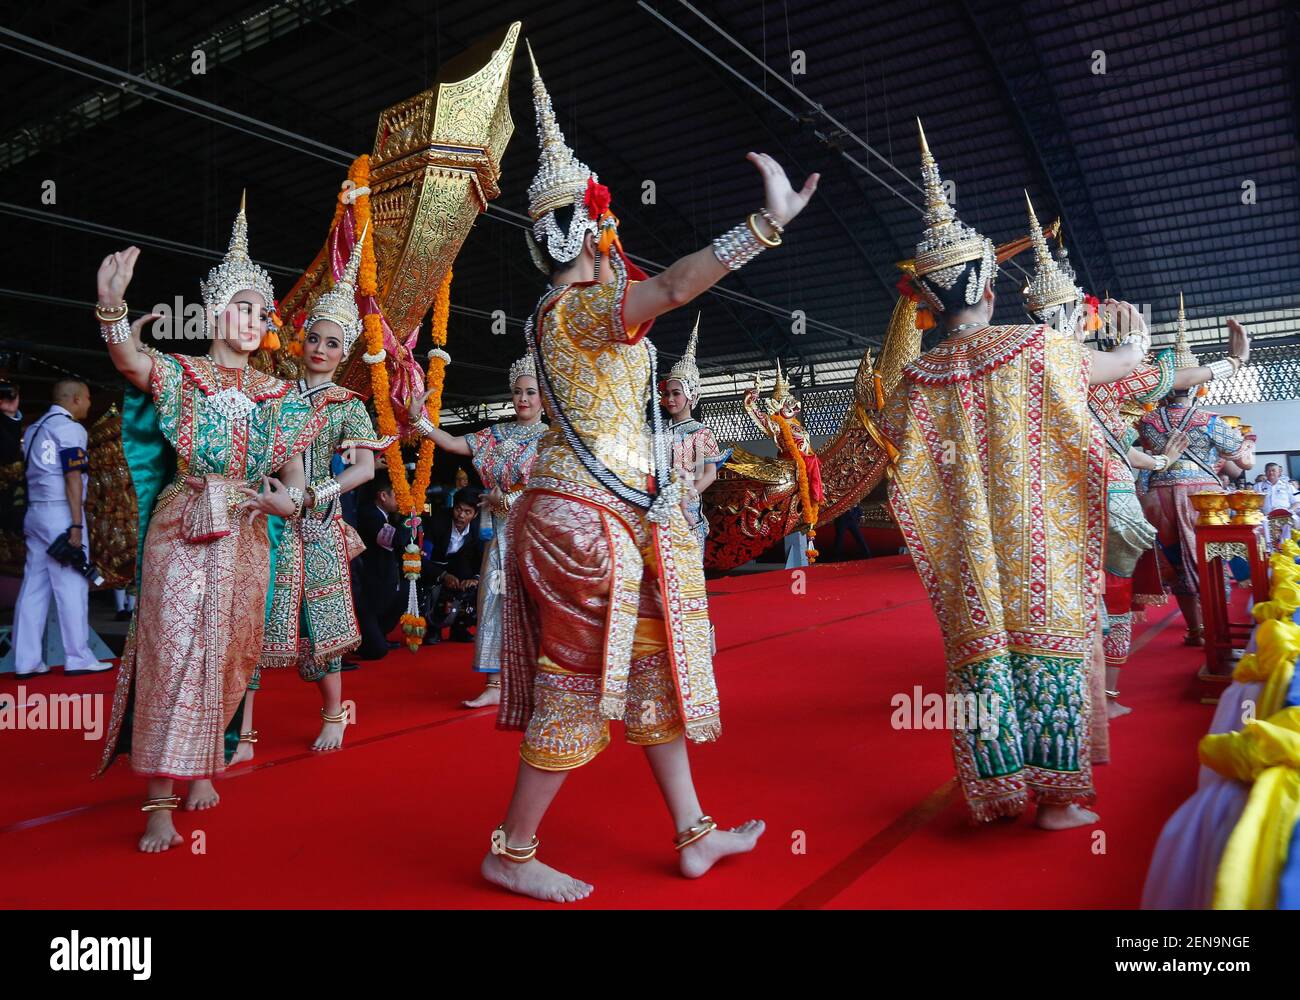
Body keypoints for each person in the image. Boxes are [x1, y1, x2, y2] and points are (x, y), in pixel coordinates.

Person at [483, 44, 817, 903]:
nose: (611, 234)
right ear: (584, 232)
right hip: (577, 525)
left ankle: (693, 833)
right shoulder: (577, 309)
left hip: (611, 510)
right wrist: (764, 227)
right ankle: (511, 850)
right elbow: (671, 287)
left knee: (649, 670)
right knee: (581, 682)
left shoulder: (580, 316)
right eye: (602, 224)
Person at [878, 123, 1146, 830]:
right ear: (990, 287)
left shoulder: (917, 375)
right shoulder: (1039, 346)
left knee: (980, 649)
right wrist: (1139, 339)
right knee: (1048, 640)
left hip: (969, 549)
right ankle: (1058, 799)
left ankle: (995, 792)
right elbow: (1116, 370)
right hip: (1036, 537)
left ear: (929, 302)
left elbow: (894, 465)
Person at [94, 197, 326, 853]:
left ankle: (203, 763)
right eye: (243, 308)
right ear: (216, 313)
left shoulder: (279, 395)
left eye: (262, 311)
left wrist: (293, 502)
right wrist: (112, 307)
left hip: (249, 531)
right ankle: (159, 804)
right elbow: (131, 361)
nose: (255, 321)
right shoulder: (185, 375)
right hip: (185, 524)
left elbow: (298, 473)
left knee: (231, 657)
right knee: (173, 654)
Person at [239, 229, 388, 757]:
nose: (321, 350)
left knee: (320, 622)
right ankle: (244, 733)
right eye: (315, 339)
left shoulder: (348, 403)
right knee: (253, 624)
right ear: (300, 341)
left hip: (319, 524)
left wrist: (312, 495)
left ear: (345, 351)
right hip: (269, 521)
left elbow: (366, 469)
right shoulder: (273, 394)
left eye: (333, 343)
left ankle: (333, 715)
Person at [409, 355, 546, 706]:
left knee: (538, 607)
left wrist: (510, 499)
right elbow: (455, 444)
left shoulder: (552, 440)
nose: (523, 399)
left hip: (538, 536)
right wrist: (419, 422)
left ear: (543, 396)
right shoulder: (496, 434)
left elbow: (550, 487)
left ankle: (540, 682)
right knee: (493, 602)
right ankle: (495, 685)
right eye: (517, 392)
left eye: (530, 392)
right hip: (501, 538)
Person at [1137, 301, 1253, 648]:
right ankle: (1217, 624)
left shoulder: (1147, 422)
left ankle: (1195, 629)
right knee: (1211, 557)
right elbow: (1243, 463)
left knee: (1174, 558)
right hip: (1203, 497)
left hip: (1158, 496)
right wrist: (1250, 440)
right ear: (1196, 385)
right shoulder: (1212, 421)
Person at [12, 379, 114, 677]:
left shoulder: (32, 430)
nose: (90, 405)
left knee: (34, 586)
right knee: (72, 584)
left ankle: (26, 661)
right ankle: (78, 656)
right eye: (88, 400)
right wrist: (76, 524)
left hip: (35, 513)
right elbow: (72, 478)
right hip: (60, 512)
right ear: (77, 399)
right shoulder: (71, 429)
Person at [658, 315, 729, 559]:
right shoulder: (657, 429)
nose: (670, 399)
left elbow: (710, 473)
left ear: (691, 396)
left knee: (687, 578)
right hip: (657, 506)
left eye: (676, 393)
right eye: (667, 393)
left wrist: (688, 493)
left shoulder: (700, 432)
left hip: (686, 509)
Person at [353, 470, 409, 659]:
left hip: (383, 583)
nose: (402, 499)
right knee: (377, 652)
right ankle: (364, 640)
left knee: (406, 591)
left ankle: (378, 633)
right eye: (398, 495)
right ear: (383, 495)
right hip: (367, 589)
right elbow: (392, 540)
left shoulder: (383, 513)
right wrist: (409, 517)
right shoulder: (369, 514)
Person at [422, 487, 485, 645]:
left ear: (475, 515)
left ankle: (460, 627)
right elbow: (423, 558)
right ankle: (433, 628)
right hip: (435, 567)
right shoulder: (437, 522)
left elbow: (483, 559)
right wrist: (443, 575)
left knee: (478, 587)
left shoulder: (479, 529)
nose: (461, 515)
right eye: (458, 509)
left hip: (462, 568)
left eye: (467, 512)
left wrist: (476, 579)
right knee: (433, 588)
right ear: (453, 507)